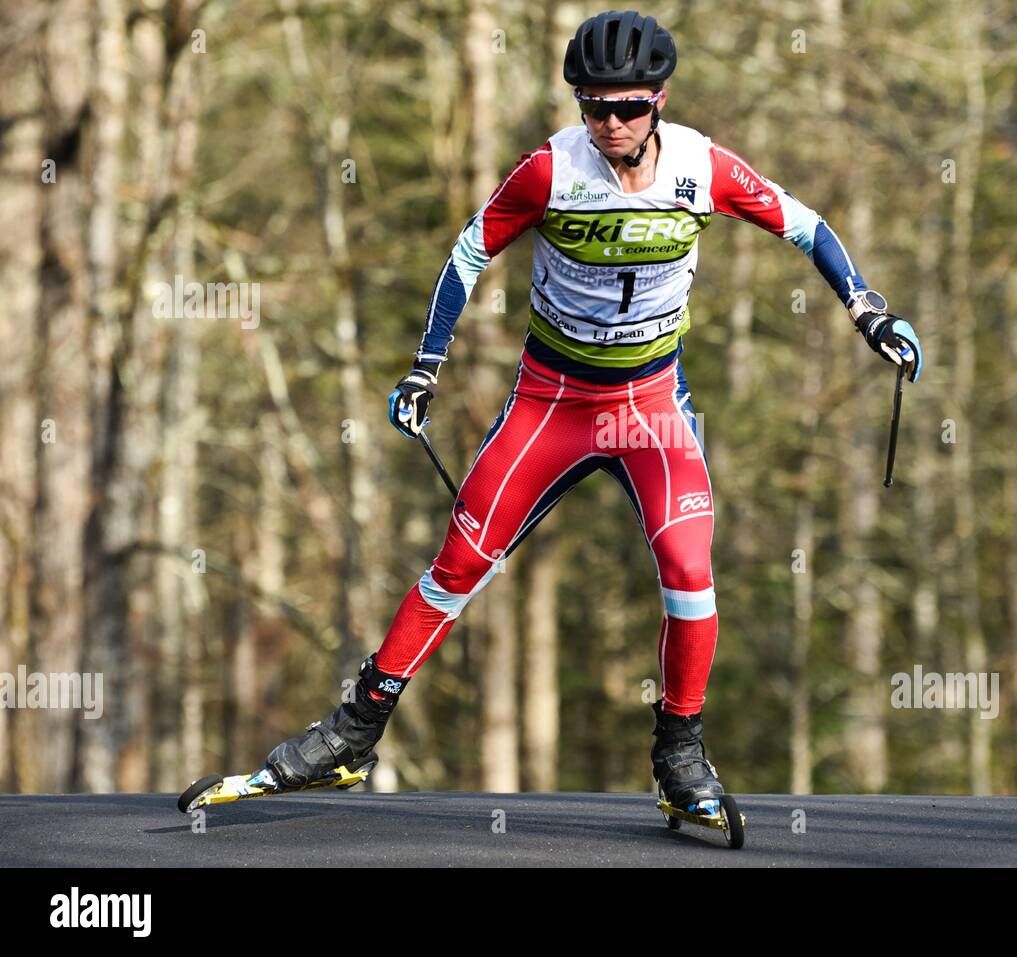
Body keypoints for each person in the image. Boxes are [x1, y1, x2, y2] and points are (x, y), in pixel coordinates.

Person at [265, 9, 922, 816]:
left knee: (689, 572)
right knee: (461, 563)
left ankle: (680, 750)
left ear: (661, 101)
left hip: (650, 404)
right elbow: (470, 251)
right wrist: (425, 367)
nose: (610, 123)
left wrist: (868, 313)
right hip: (554, 400)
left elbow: (807, 225)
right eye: (593, 106)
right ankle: (355, 732)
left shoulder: (702, 166)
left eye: (629, 107)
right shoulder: (550, 170)